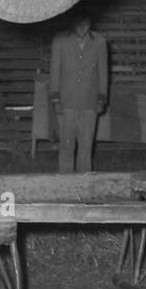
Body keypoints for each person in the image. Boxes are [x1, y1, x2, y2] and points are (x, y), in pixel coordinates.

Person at [48, 15, 109, 174]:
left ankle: (84, 181)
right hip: (66, 102)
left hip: (90, 102)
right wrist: (56, 99)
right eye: (78, 24)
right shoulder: (60, 41)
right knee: (66, 145)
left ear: (90, 22)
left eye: (86, 24)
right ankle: (66, 181)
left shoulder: (100, 42)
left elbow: (103, 72)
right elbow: (55, 71)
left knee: (86, 145)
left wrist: (101, 98)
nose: (82, 28)